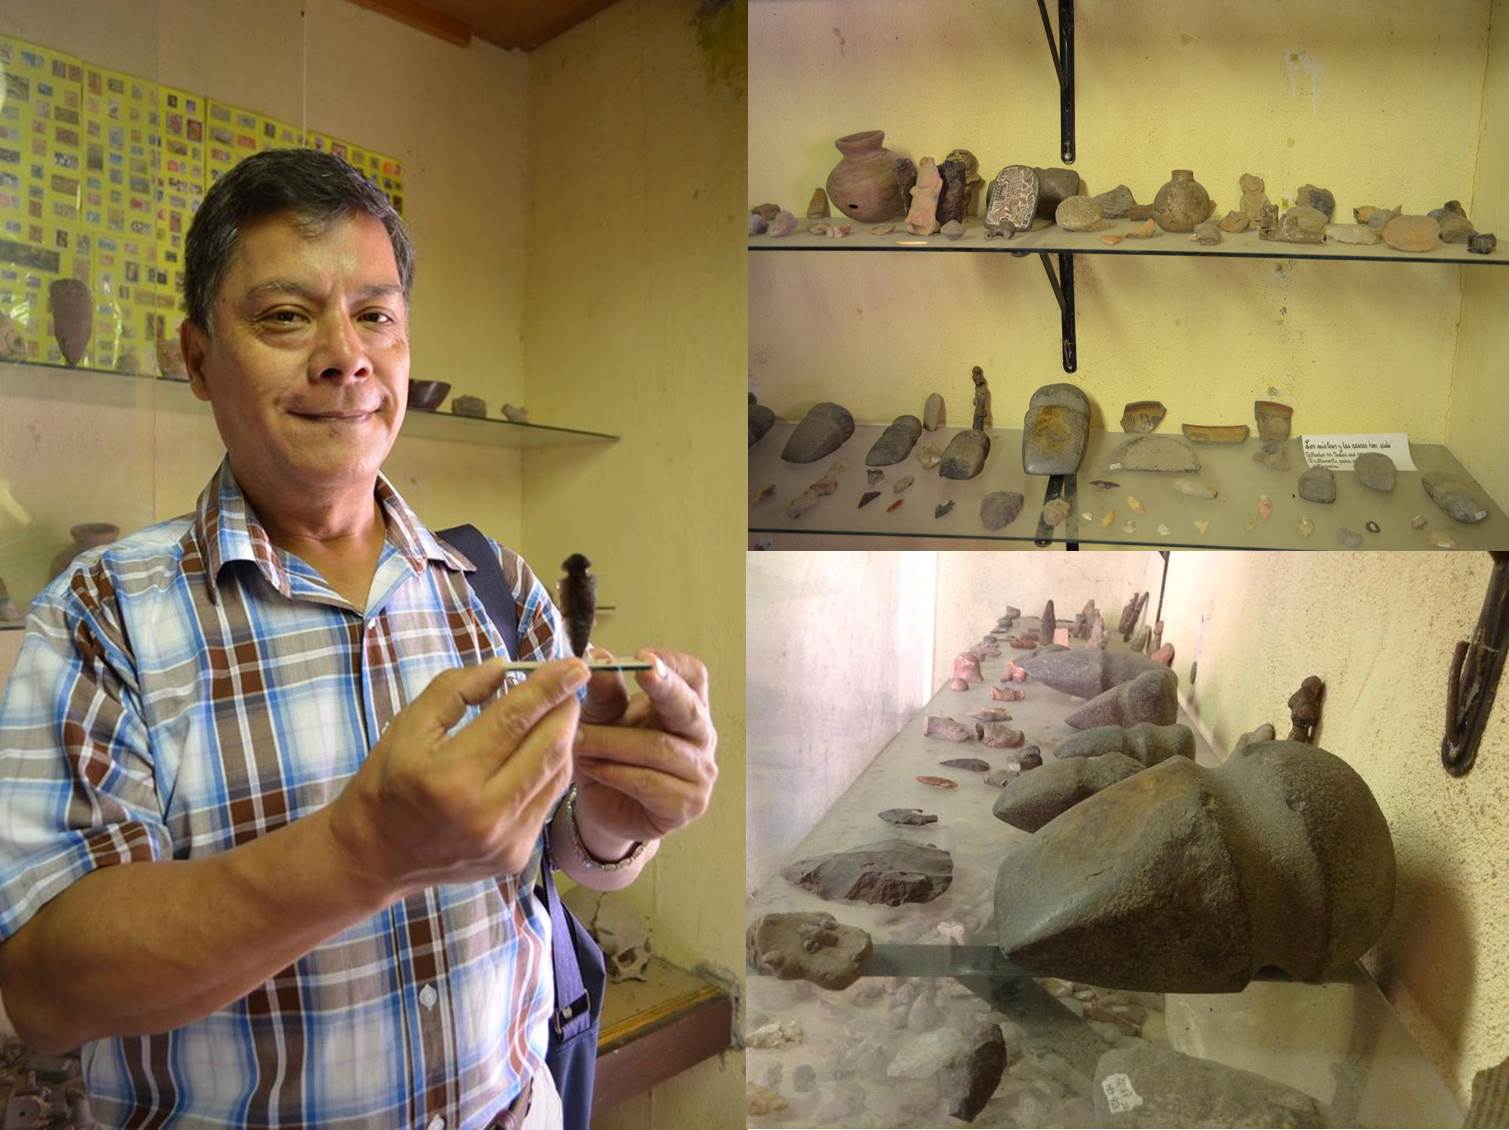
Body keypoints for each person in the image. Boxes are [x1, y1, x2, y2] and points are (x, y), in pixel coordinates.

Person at [0, 149, 717, 1129]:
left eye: (375, 315)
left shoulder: (496, 585)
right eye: (287, 316)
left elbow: (569, 851)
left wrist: (622, 816)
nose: (348, 355)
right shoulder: (99, 616)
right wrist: (360, 850)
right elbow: (48, 989)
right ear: (199, 357)